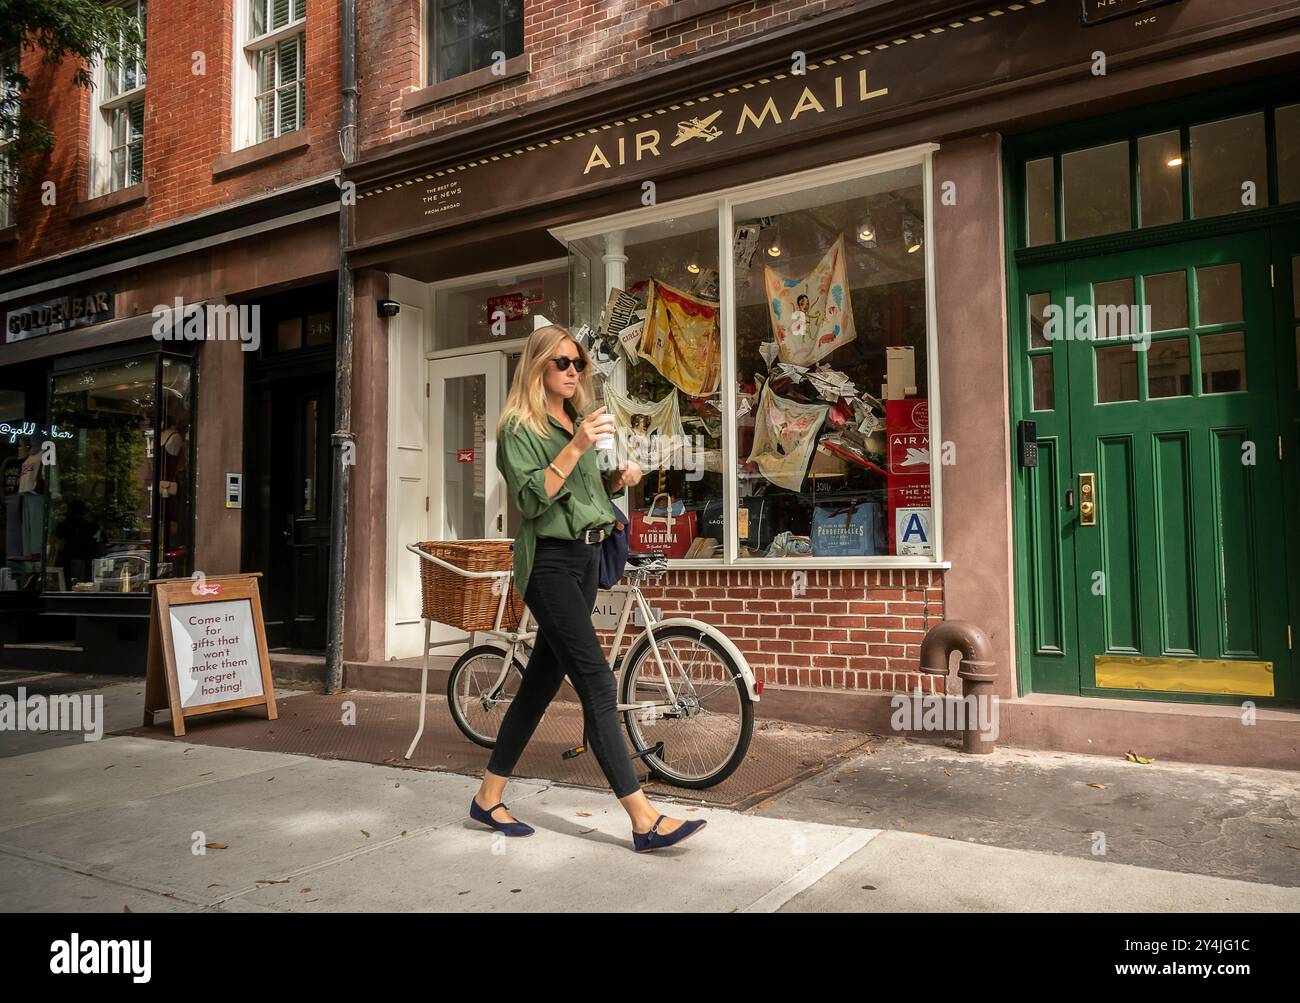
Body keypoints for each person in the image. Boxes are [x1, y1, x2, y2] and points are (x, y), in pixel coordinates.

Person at [471, 324, 708, 853]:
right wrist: (578, 446)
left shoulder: (575, 420)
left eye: (578, 362)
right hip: (548, 565)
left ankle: (488, 796)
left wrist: (616, 480)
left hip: (584, 559)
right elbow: (534, 502)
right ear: (537, 367)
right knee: (600, 683)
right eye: (562, 362)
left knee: (538, 685)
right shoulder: (518, 427)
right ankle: (642, 817)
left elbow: (579, 490)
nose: (573, 371)